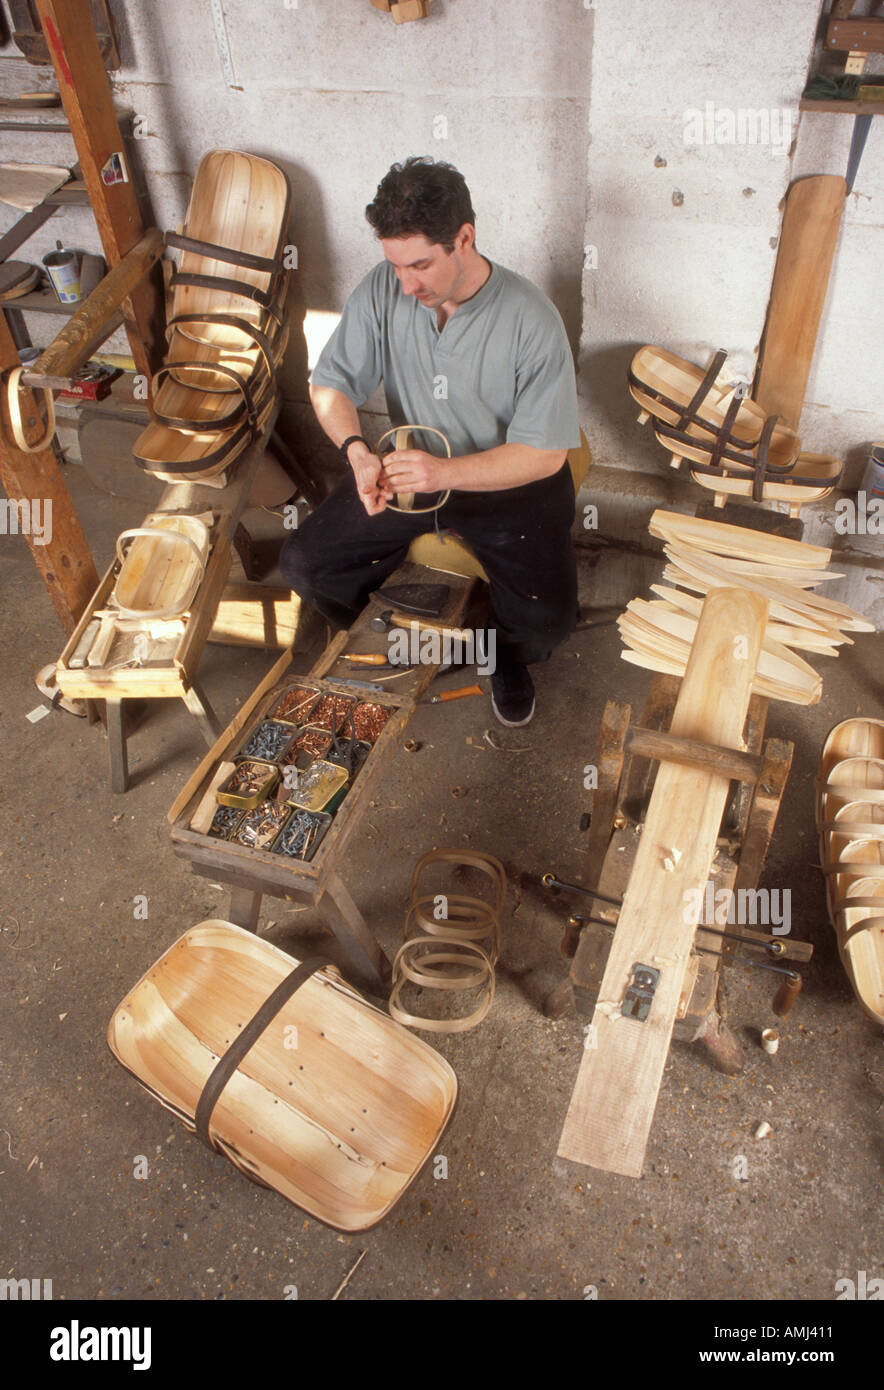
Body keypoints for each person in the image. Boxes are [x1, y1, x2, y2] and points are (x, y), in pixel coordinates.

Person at [280, 156, 581, 726]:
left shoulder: (531, 319)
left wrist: (447, 473)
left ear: (463, 239)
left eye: (419, 264)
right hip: (409, 473)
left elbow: (545, 453)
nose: (406, 284)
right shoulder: (384, 288)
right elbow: (330, 382)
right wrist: (357, 451)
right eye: (395, 265)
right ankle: (427, 643)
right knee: (305, 565)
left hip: (509, 478)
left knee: (548, 627)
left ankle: (500, 653)